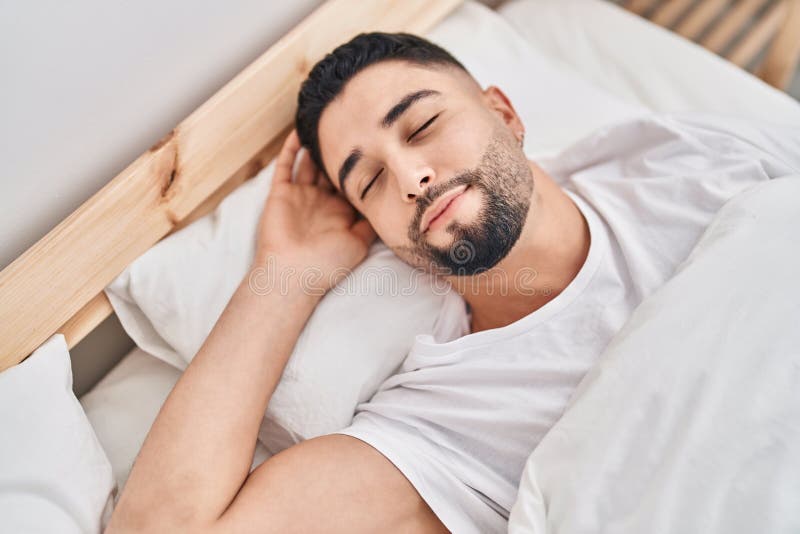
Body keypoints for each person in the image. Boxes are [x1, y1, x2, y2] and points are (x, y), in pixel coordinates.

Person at [107, 33, 800, 533]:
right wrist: (282, 278)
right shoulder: (441, 428)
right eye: (369, 181)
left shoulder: (679, 159)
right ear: (376, 233)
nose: (411, 179)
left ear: (503, 113)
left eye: (424, 124)